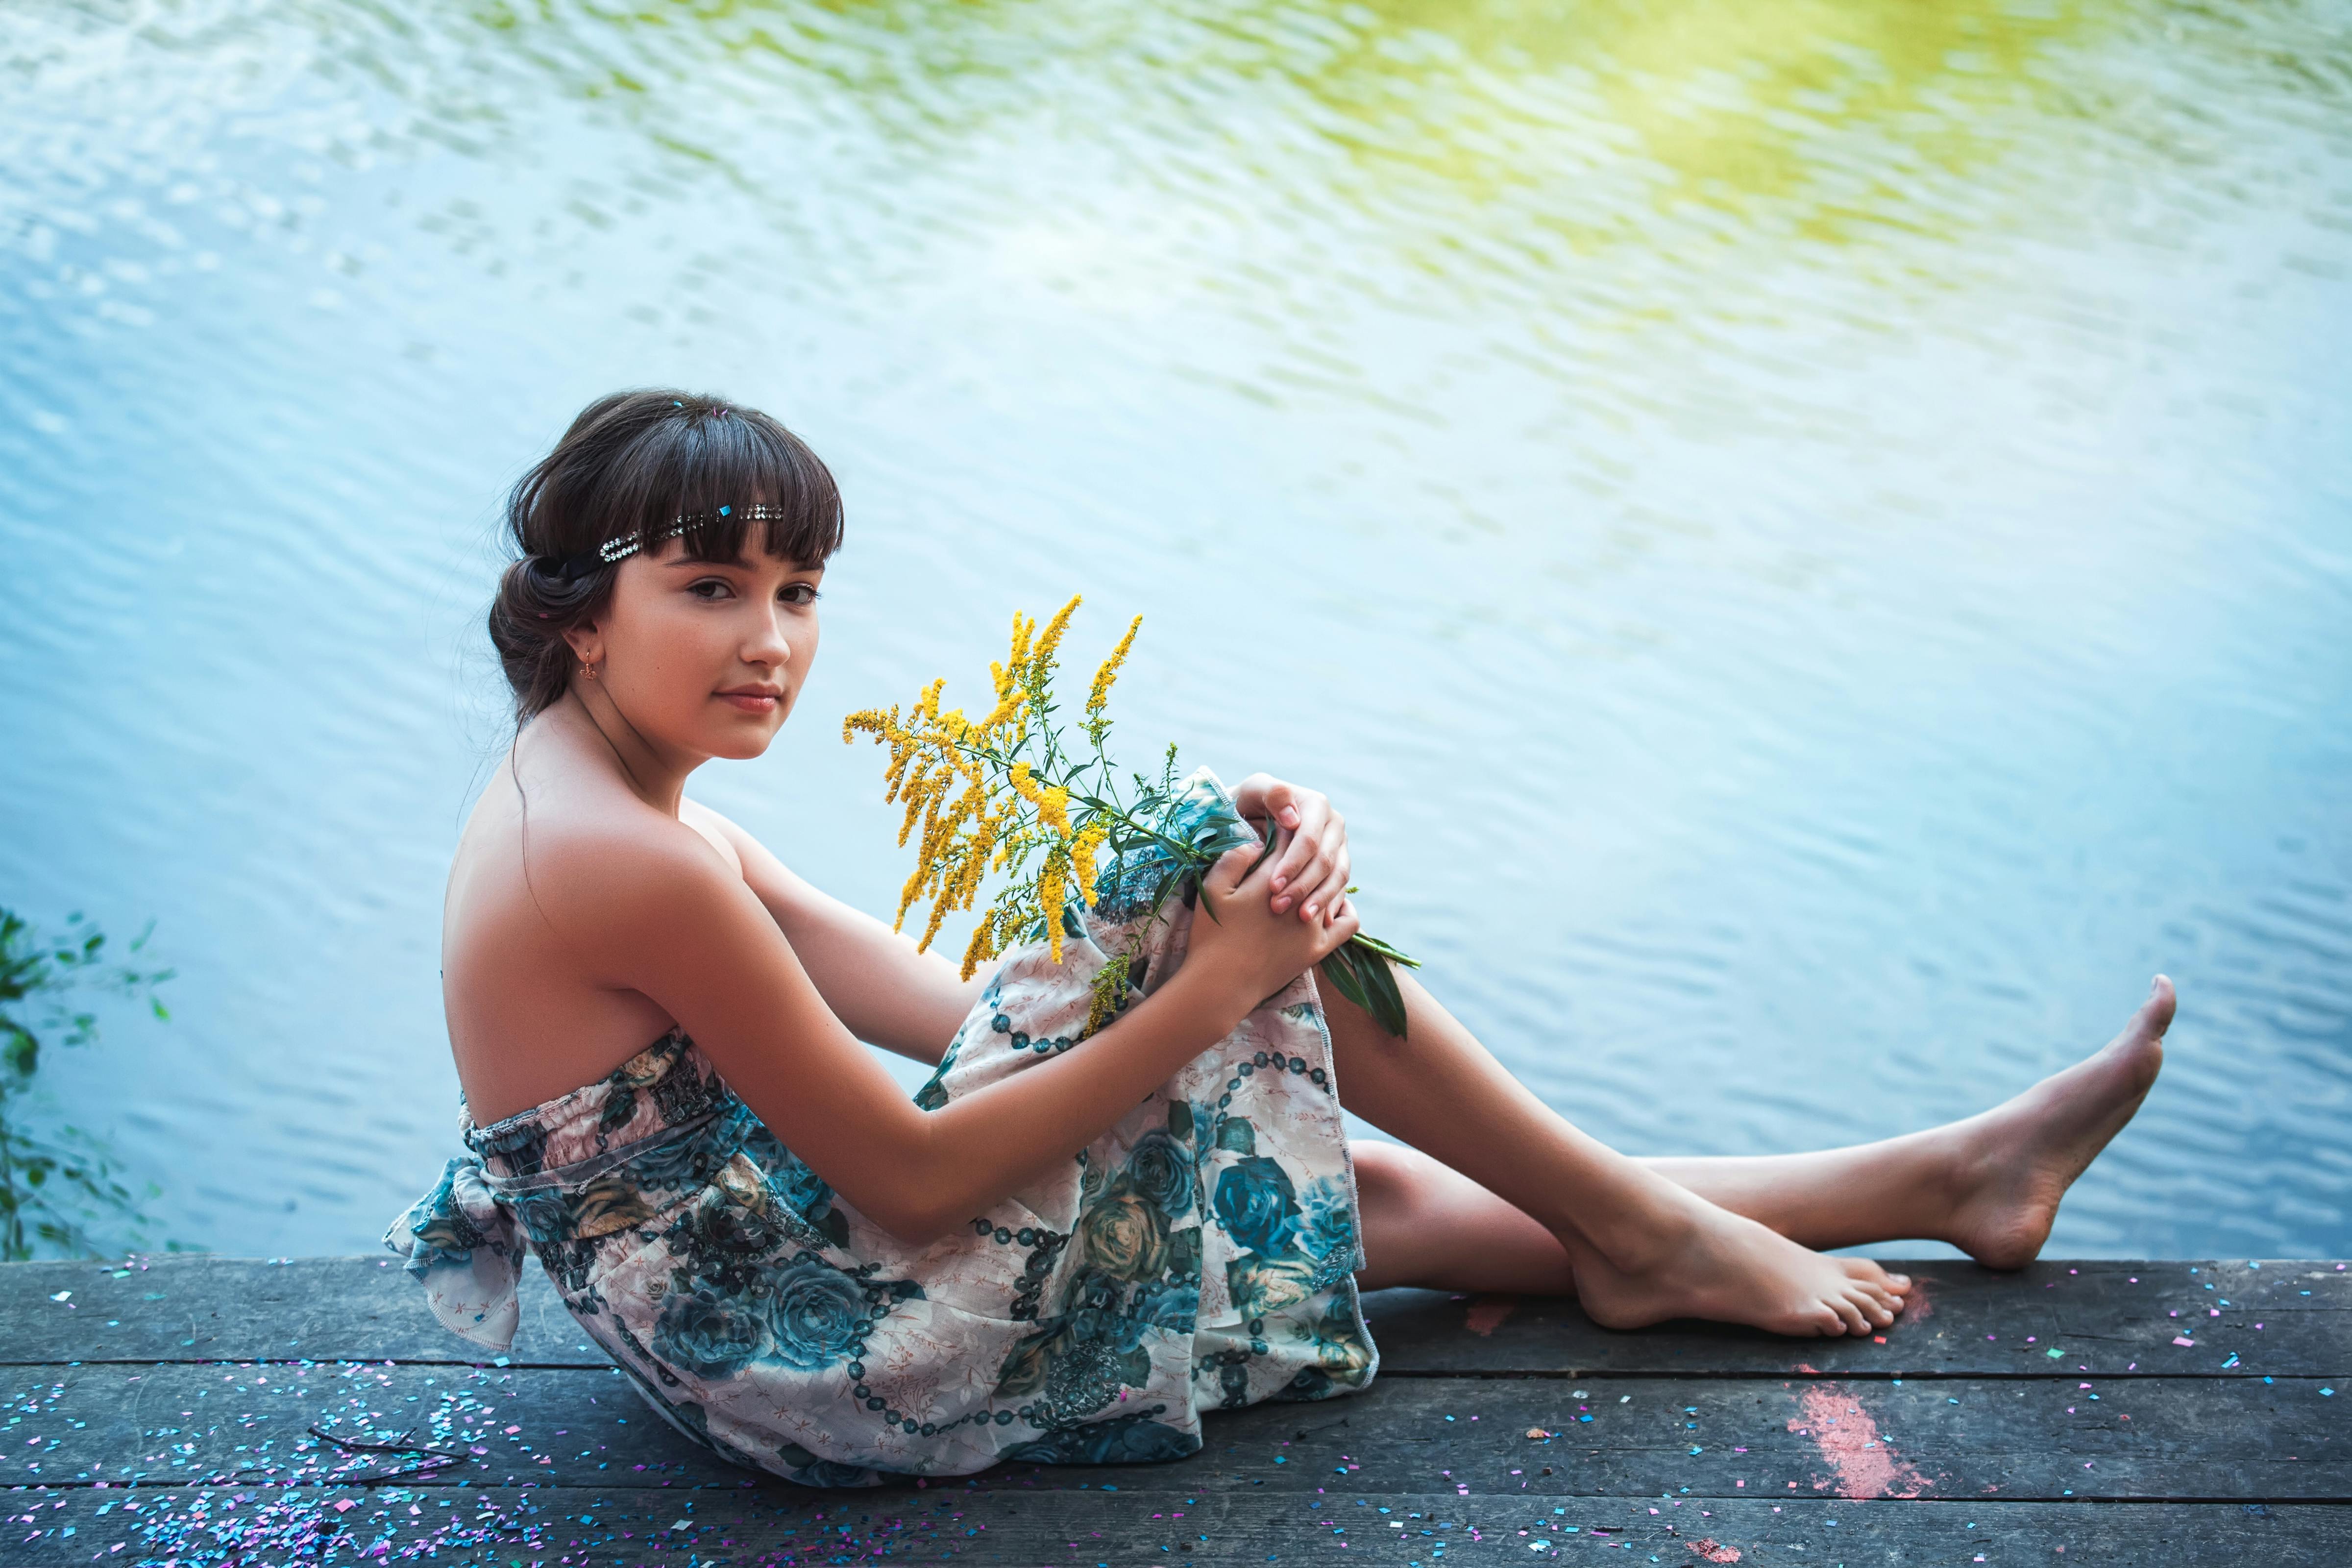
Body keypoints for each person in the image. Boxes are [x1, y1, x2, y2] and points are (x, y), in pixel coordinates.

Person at [389, 389, 2173, 1487]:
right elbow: (924, 1183)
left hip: (778, 1285)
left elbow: (951, 1016)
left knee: (1319, 1156)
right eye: (712, 587)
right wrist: (1232, 976)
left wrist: (1209, 921)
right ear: (579, 613)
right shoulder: (628, 862)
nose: (772, 639)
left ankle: (1942, 1179)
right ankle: (1664, 1230)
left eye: (798, 591)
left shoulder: (608, 800)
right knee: (1252, 986)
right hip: (808, 1371)